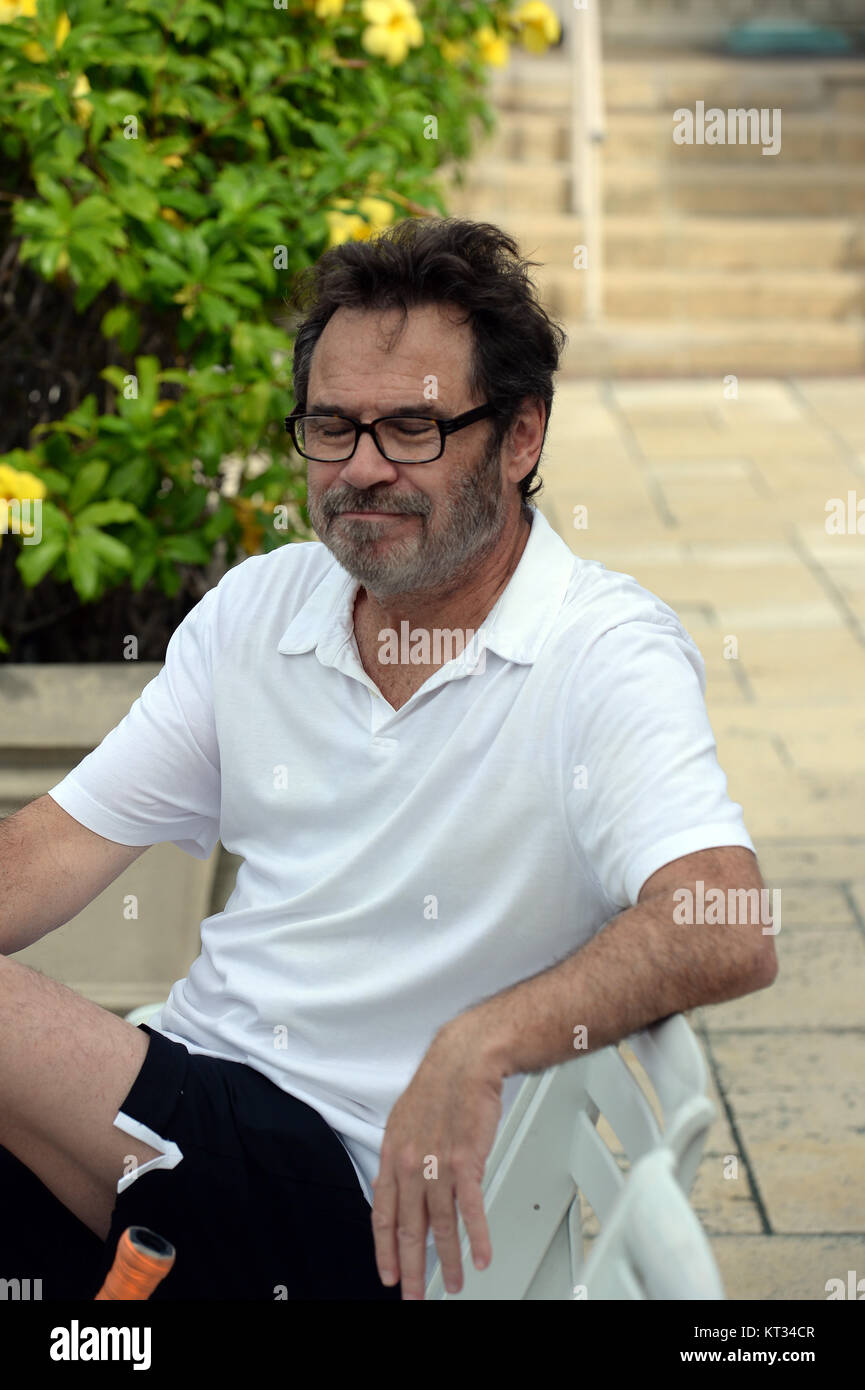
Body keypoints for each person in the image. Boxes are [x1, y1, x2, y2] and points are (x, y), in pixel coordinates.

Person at [0, 218, 777, 1302]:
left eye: (411, 426)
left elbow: (727, 920)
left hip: (349, 1202)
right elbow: (42, 854)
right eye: (331, 427)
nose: (362, 469)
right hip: (171, 1133)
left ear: (518, 438)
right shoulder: (263, 607)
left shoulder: (600, 653)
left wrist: (481, 1041)